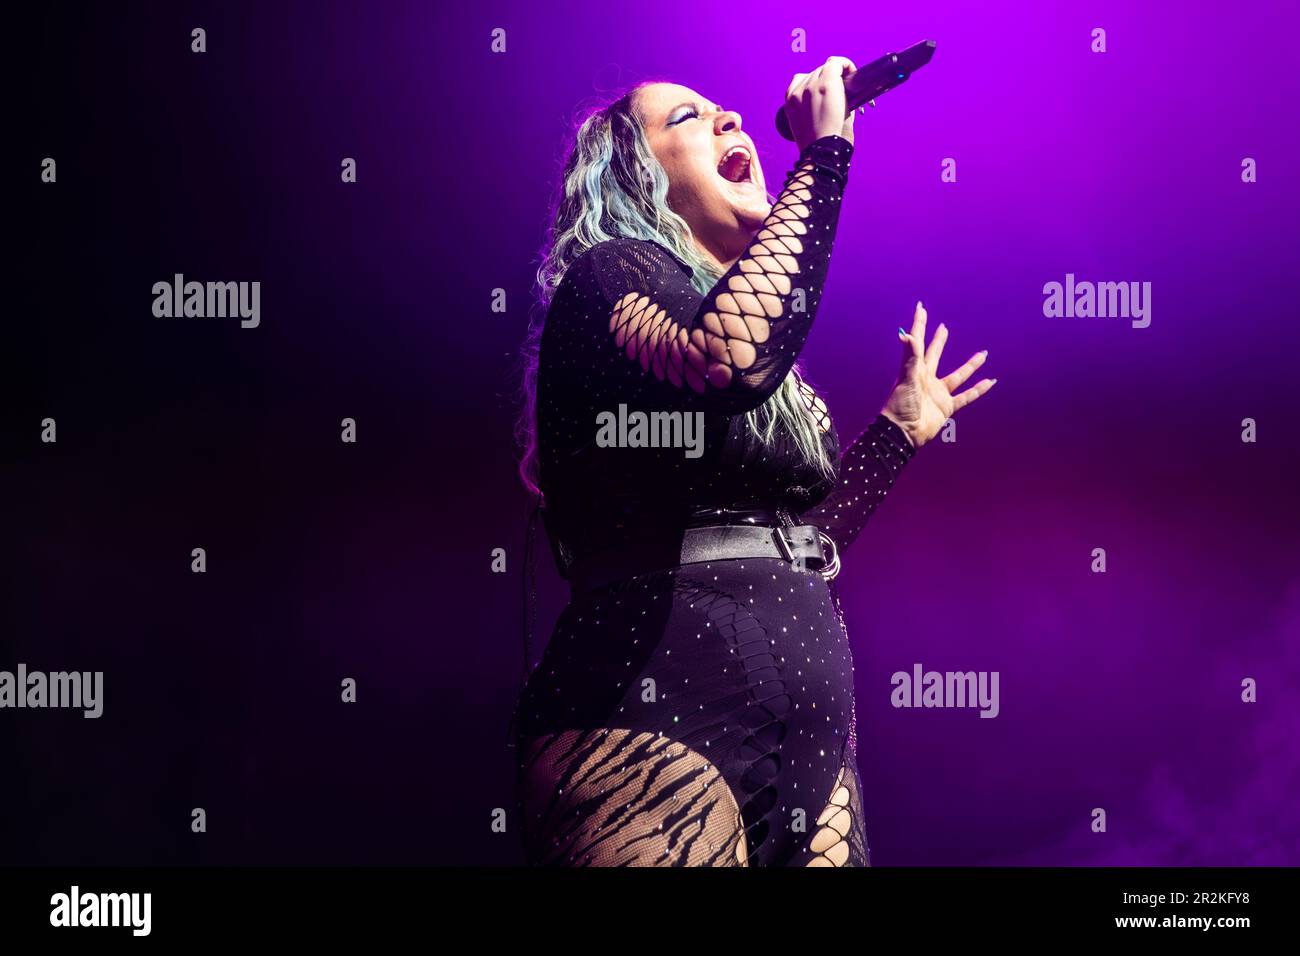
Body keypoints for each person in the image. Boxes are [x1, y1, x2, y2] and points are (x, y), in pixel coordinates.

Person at [511, 57, 996, 866]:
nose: (731, 117)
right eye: (687, 118)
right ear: (634, 178)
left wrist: (897, 433)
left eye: (721, 109)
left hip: (810, 733)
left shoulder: (758, 360)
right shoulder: (607, 280)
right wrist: (824, 157)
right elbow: (727, 358)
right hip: (647, 714)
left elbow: (792, 543)